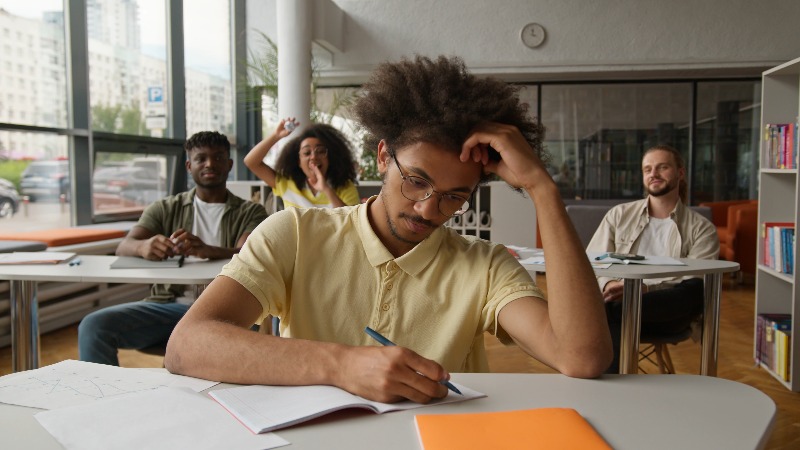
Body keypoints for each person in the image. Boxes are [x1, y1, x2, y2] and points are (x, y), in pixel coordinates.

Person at [166, 55, 613, 403]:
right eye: (416, 181)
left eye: (454, 197)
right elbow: (188, 345)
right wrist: (341, 365)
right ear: (383, 157)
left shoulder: (484, 266)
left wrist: (542, 189)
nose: (427, 208)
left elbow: (581, 356)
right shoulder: (296, 234)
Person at [78, 131, 269, 366]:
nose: (210, 164)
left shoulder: (252, 211)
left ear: (229, 164)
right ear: (189, 166)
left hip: (225, 309)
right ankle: (102, 392)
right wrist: (144, 247)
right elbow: (124, 246)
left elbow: (246, 254)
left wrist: (208, 250)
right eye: (201, 159)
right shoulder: (165, 208)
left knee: (192, 358)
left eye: (218, 158)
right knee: (94, 326)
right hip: (169, 307)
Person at [586, 144, 720, 373]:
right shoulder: (619, 215)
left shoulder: (701, 228)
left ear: (680, 173)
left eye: (662, 167)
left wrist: (644, 290)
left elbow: (694, 283)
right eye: (647, 169)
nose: (653, 174)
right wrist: (610, 285)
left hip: (667, 312)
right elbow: (592, 261)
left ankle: (610, 385)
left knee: (696, 288)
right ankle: (616, 381)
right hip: (619, 303)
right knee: (613, 308)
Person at [243, 120, 360, 209]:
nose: (313, 157)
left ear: (330, 158)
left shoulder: (345, 187)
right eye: (307, 153)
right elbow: (251, 162)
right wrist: (276, 136)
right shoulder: (286, 183)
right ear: (298, 161)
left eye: (320, 151)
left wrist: (326, 189)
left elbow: (352, 221)